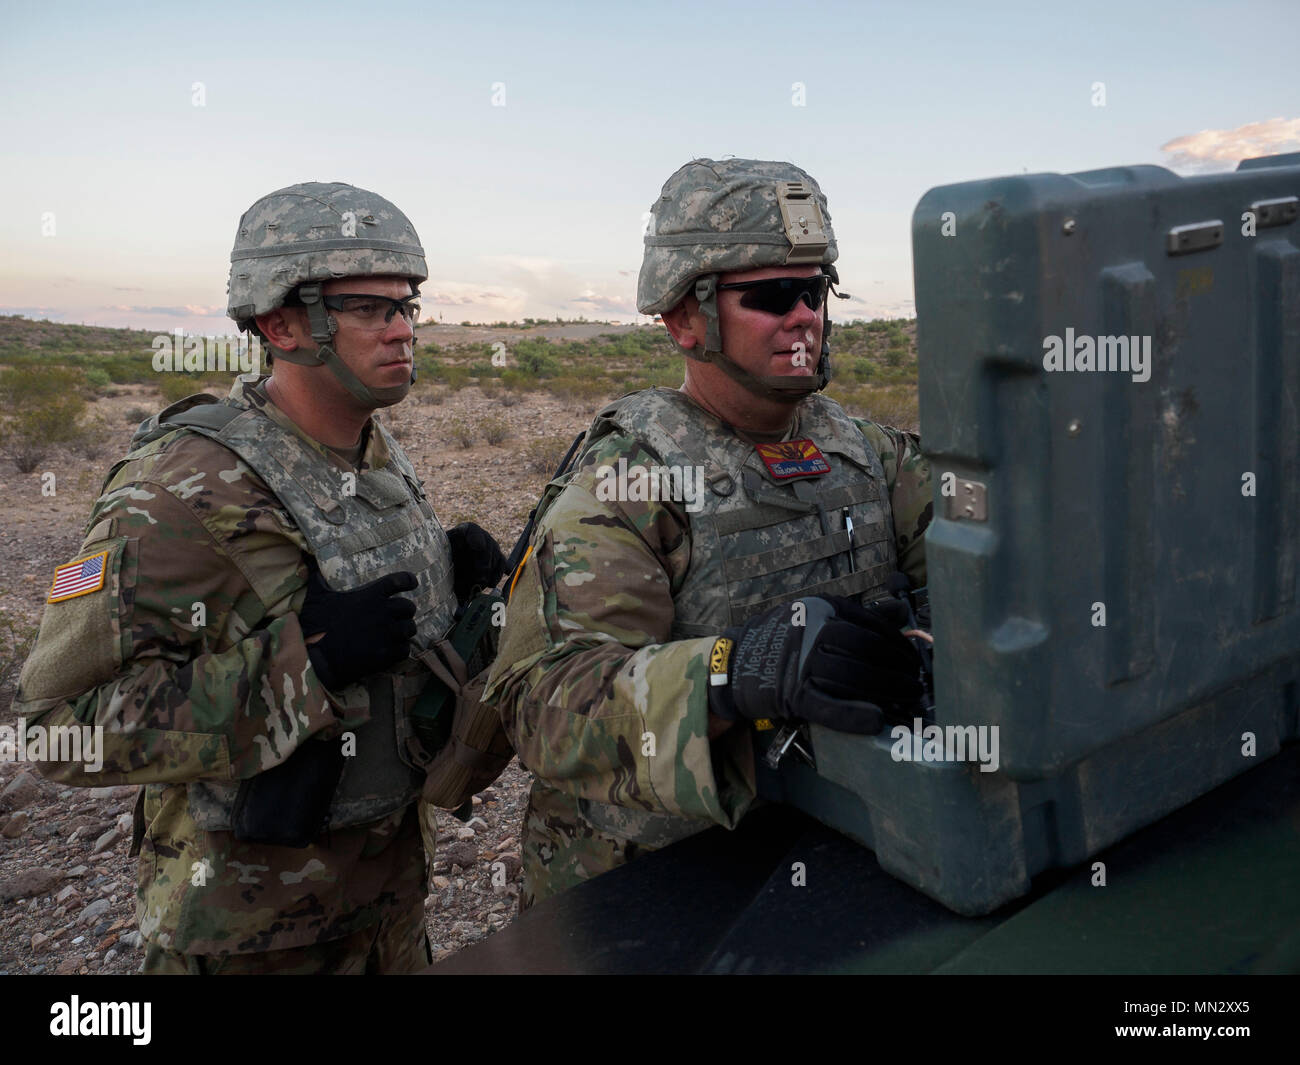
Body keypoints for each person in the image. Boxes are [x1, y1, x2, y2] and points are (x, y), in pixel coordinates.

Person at [13, 182, 504, 973]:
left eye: (408, 305)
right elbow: (55, 724)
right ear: (281, 322)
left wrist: (443, 568)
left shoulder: (370, 451)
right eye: (370, 309)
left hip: (385, 906)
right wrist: (302, 668)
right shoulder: (179, 487)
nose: (404, 329)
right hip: (248, 939)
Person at [484, 158, 933, 909]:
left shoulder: (864, 451)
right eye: (770, 295)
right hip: (651, 884)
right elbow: (543, 709)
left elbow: (977, 564)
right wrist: (733, 675)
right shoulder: (630, 480)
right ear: (684, 318)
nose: (805, 316)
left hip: (829, 846)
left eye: (815, 289)